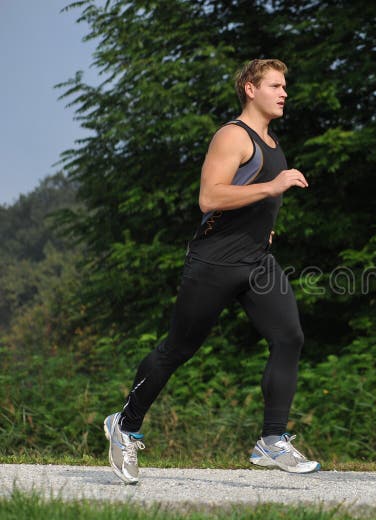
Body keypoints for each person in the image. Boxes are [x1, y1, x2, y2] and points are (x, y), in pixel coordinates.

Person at [103, 59, 320, 485]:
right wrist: (273, 188)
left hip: (257, 261)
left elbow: (252, 201)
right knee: (178, 349)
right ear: (250, 89)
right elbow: (210, 196)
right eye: (275, 85)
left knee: (289, 337)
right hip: (214, 262)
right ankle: (124, 425)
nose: (284, 93)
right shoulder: (232, 136)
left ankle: (272, 439)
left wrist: (267, 226)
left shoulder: (272, 143)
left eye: (285, 86)